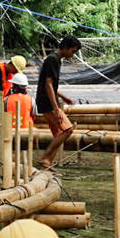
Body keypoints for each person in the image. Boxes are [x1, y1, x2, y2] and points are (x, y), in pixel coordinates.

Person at [34, 36, 80, 170]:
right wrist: (56, 108)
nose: (73, 54)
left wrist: (64, 98)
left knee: (58, 133)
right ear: (65, 47)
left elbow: (51, 85)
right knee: (67, 130)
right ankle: (45, 157)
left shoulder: (56, 60)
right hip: (46, 101)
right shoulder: (53, 60)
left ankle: (47, 163)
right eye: (73, 51)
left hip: (45, 99)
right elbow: (48, 85)